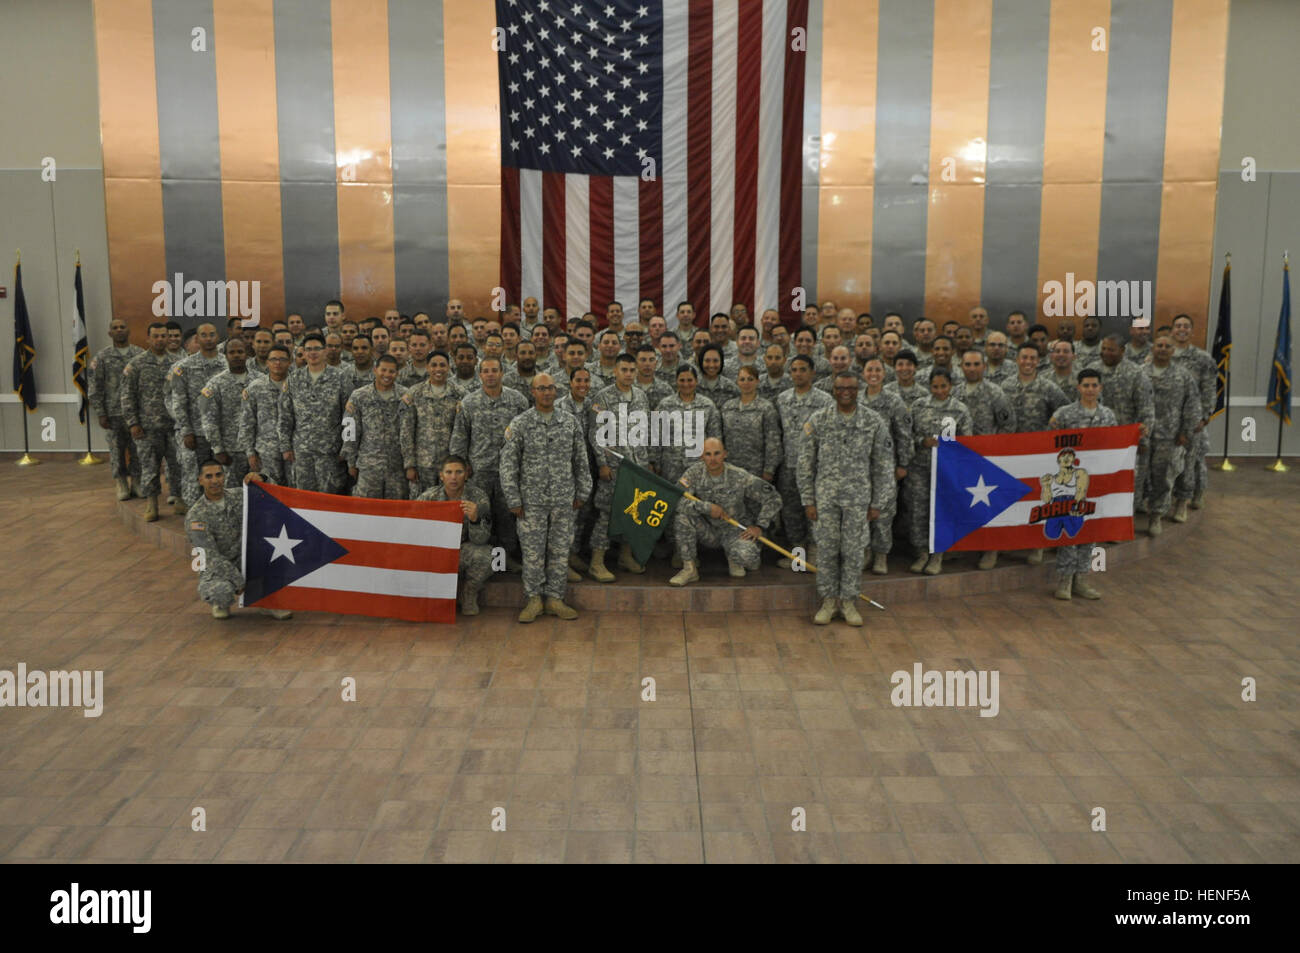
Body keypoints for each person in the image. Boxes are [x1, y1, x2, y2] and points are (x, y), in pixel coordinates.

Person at [798, 372, 894, 626]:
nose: (845, 392)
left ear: (858, 389)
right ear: (833, 389)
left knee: (853, 552)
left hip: (858, 499)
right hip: (825, 499)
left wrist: (877, 503)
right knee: (827, 550)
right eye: (840, 388)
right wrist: (808, 499)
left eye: (851, 388)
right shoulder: (818, 420)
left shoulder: (873, 421)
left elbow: (883, 466)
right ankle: (829, 602)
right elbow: (805, 463)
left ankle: (849, 602)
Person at [500, 373, 593, 623]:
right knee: (532, 552)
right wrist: (513, 499)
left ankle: (555, 598)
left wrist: (583, 492)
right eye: (541, 388)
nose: (547, 392)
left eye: (551, 388)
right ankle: (533, 599)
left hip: (564, 499)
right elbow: (508, 464)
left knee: (560, 551)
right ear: (532, 392)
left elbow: (581, 461)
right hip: (531, 501)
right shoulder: (520, 423)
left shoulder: (570, 422)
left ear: (556, 390)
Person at [668, 437, 781, 586]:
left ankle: (733, 556)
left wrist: (760, 526)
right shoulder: (694, 473)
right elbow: (675, 500)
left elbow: (773, 498)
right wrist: (706, 508)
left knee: (748, 557)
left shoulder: (739, 476)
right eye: (708, 454)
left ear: (725, 454)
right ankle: (689, 570)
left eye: (717, 453)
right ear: (702, 456)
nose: (713, 459)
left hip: (735, 531)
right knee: (682, 517)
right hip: (708, 531)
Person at [186, 460, 291, 620]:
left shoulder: (239, 495)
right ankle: (221, 603)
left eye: (218, 475)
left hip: (246, 558)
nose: (215, 480)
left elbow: (272, 493)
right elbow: (210, 556)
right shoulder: (196, 516)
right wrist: (239, 581)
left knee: (277, 555)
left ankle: (266, 602)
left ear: (224, 476)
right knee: (221, 591)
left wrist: (262, 478)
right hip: (217, 568)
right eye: (209, 476)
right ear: (200, 480)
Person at [1046, 369, 1118, 601]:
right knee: (1070, 527)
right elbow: (1049, 443)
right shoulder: (1064, 414)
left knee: (1090, 529)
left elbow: (1116, 444)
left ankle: (1081, 579)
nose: (1090, 389)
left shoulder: (1108, 416)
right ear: (1078, 388)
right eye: (1085, 385)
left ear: (1100, 388)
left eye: (1094, 385)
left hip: (1097, 480)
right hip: (1070, 483)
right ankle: (1065, 579)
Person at [449, 356, 529, 559]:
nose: (490, 374)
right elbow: (460, 436)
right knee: (481, 514)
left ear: (502, 373)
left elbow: (527, 436)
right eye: (486, 371)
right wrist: (462, 466)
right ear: (480, 374)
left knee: (507, 516)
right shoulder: (469, 402)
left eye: (494, 370)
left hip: (509, 471)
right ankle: (484, 559)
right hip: (479, 471)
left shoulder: (518, 400)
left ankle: (506, 560)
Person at [585, 353, 652, 581]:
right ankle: (596, 562)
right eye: (624, 370)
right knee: (606, 514)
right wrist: (602, 464)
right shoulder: (602, 398)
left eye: (632, 370)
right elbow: (596, 434)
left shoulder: (641, 397)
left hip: (637, 467)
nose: (628, 374)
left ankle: (625, 555)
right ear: (615, 371)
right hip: (613, 468)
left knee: (633, 513)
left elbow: (646, 431)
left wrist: (647, 462)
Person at [1002, 343, 1068, 565]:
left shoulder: (1048, 388)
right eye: (1024, 358)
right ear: (1017, 360)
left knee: (1039, 501)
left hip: (1039, 454)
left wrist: (1053, 424)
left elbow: (1064, 411)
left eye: (1032, 358)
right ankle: (1003, 544)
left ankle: (1037, 545)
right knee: (1010, 499)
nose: (1028, 362)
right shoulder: (1006, 385)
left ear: (1038, 361)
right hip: (1010, 453)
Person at [953, 349, 1016, 569]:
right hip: (962, 457)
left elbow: (1008, 424)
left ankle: (991, 549)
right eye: (967, 365)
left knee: (990, 505)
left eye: (976, 364)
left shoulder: (995, 392)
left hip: (988, 457)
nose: (971, 369)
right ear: (961, 366)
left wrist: (996, 449)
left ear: (984, 366)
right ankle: (967, 545)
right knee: (965, 502)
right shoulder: (955, 392)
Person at [906, 369, 973, 575]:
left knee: (942, 511)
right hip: (919, 468)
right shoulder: (918, 406)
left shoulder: (960, 410)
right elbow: (906, 435)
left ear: (950, 386)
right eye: (935, 386)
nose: (939, 390)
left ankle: (938, 555)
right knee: (918, 510)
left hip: (947, 470)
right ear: (929, 386)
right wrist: (921, 442)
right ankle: (922, 553)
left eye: (943, 386)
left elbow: (967, 442)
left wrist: (953, 451)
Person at [773, 355, 833, 563]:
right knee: (791, 512)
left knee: (815, 510)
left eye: (803, 369)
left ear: (812, 372)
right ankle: (798, 558)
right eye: (794, 370)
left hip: (815, 466)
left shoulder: (825, 400)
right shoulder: (782, 399)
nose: (798, 374)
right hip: (789, 464)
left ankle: (815, 555)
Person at [121, 322, 184, 521]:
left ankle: (180, 500)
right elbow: (126, 396)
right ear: (148, 339)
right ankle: (152, 504)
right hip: (147, 428)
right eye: (155, 336)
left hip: (174, 426)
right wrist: (133, 423)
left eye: (163, 336)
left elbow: (183, 394)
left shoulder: (177, 363)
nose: (160, 340)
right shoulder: (136, 364)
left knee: (177, 465)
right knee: (150, 467)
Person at [1141, 333, 1200, 537]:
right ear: (1152, 348)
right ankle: (1133, 513)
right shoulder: (1140, 372)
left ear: (1173, 351)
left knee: (1163, 477)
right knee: (1139, 477)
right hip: (1143, 436)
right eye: (1159, 345)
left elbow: (1192, 405)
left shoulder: (1183, 376)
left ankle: (1156, 515)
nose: (1163, 349)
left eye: (1167, 346)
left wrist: (1186, 432)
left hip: (1169, 436)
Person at [278, 332, 352, 493]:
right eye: (309, 349)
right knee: (304, 499)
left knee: (332, 499)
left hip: (331, 452)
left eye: (317, 348)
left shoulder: (340, 377)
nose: (313, 353)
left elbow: (349, 417)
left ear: (325, 351)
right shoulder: (293, 379)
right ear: (303, 353)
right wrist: (285, 446)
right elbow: (285, 415)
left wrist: (347, 448)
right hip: (302, 452)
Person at [861, 359, 911, 575]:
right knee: (862, 512)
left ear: (885, 373)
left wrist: (902, 464)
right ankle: (865, 552)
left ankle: (881, 556)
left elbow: (904, 434)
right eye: (869, 370)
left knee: (883, 513)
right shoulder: (855, 398)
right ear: (863, 373)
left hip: (885, 467)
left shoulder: (894, 401)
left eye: (878, 370)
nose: (873, 374)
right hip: (860, 467)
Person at [171, 322, 226, 510]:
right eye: (204, 335)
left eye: (212, 335)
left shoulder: (227, 364)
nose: (208, 339)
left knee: (221, 477)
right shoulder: (183, 367)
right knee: (194, 477)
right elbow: (178, 402)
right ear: (197, 339)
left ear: (217, 337)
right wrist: (186, 431)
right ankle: (195, 515)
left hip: (221, 434)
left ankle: (219, 514)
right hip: (195, 433)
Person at [1096, 335, 1154, 509]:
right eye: (1104, 349)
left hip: (1128, 441)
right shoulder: (1092, 370)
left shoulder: (1136, 374)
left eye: (1111, 349)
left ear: (1122, 351)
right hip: (1100, 441)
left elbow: (1146, 409)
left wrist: (1143, 439)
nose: (1106, 353)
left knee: (1129, 485)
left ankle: (1125, 525)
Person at [89, 317, 144, 500]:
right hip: (113, 413)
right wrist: (101, 413)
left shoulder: (139, 355)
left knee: (138, 449)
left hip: (136, 414)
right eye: (115, 328)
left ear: (128, 331)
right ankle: (121, 482)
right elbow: (95, 387)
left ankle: (137, 482)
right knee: (116, 450)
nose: (119, 330)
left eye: (122, 327)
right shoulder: (102, 357)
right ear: (110, 333)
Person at [343, 354, 410, 499]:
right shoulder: (359, 396)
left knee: (395, 512)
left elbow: (410, 431)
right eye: (383, 370)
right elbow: (350, 430)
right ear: (375, 370)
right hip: (368, 467)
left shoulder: (405, 396)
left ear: (397, 373)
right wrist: (351, 462)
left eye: (391, 371)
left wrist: (409, 463)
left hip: (397, 467)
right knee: (365, 511)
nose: (387, 375)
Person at [1170, 314, 1217, 517]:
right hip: (1168, 419)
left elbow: (1209, 389)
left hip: (1192, 419)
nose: (1182, 329)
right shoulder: (1164, 354)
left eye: (1186, 326)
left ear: (1192, 331)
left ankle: (1188, 499)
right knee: (1169, 462)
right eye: (1178, 326)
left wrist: (1204, 417)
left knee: (1193, 461)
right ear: (1172, 330)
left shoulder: (1203, 358)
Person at [199, 336, 261, 487]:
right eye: (232, 352)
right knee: (232, 492)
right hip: (230, 451)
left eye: (240, 351)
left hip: (258, 449)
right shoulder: (215, 384)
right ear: (225, 355)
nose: (236, 355)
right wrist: (218, 449)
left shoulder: (260, 380)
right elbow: (209, 420)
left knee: (260, 494)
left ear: (247, 354)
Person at [400, 350, 462, 496]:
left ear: (449, 368)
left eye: (442, 365)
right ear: (427, 367)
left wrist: (461, 463)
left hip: (449, 465)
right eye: (434, 365)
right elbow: (406, 431)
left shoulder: (459, 393)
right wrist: (409, 465)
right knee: (419, 510)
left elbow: (463, 432)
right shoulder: (414, 393)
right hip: (422, 465)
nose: (438, 369)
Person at [240, 344, 292, 485]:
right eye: (273, 359)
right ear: (267, 362)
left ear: (289, 362)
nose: (277, 363)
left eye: (282, 359)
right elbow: (247, 423)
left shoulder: (298, 385)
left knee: (295, 491)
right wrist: (250, 453)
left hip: (293, 451)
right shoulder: (255, 387)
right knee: (269, 491)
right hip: (266, 452)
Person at [719, 366, 781, 481]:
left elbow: (773, 441)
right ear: (737, 382)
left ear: (757, 381)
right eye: (742, 379)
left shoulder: (766, 408)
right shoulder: (728, 407)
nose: (746, 383)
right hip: (730, 468)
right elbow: (721, 438)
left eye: (750, 379)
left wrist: (769, 470)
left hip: (756, 469)